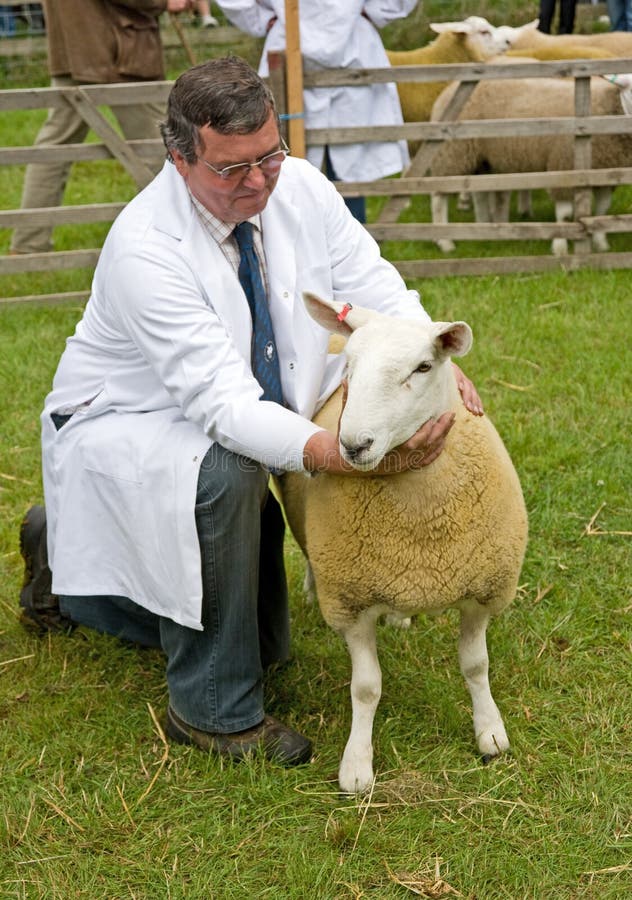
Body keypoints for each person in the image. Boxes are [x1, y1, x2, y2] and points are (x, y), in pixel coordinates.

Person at [19, 56, 483, 769]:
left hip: (247, 406)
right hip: (137, 419)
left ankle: (60, 553)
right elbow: (222, 405)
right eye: (232, 170)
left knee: (269, 642)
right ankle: (213, 710)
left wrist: (429, 361)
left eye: (270, 154)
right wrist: (340, 452)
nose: (261, 180)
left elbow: (371, 282)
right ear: (180, 159)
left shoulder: (295, 187)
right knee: (230, 473)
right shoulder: (147, 249)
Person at [10, 0, 193, 255]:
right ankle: (178, 237)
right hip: (118, 47)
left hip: (76, 48)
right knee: (161, 148)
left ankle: (29, 242)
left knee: (54, 149)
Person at [216, 1, 417, 223]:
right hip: (323, 50)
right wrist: (374, 10)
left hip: (308, 45)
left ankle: (339, 248)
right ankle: (322, 246)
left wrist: (263, 19)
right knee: (295, 167)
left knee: (308, 166)